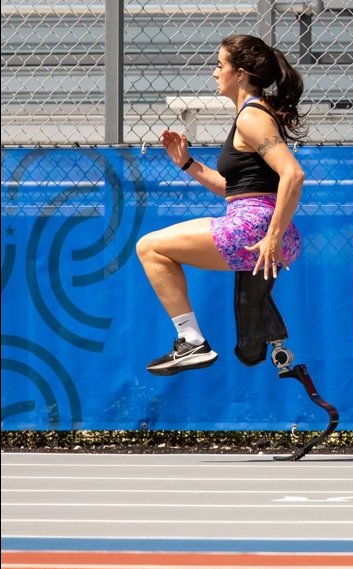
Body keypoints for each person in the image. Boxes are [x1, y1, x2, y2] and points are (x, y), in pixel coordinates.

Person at [136, 34, 307, 376]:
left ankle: (190, 341)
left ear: (240, 74)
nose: (215, 73)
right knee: (153, 247)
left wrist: (272, 237)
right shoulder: (251, 115)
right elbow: (235, 189)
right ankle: (194, 341)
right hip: (259, 224)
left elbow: (293, 173)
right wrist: (188, 164)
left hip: (258, 228)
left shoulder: (251, 117)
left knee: (149, 247)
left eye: (220, 65)